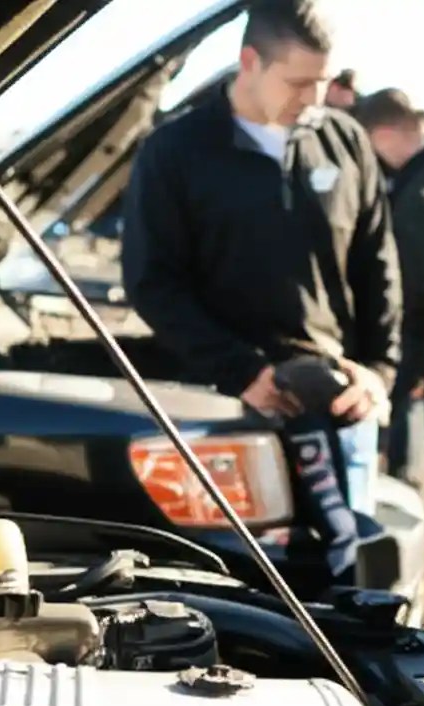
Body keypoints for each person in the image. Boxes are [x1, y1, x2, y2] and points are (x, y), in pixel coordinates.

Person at [121, 0, 401, 583]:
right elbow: (153, 283)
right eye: (299, 82)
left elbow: (378, 268)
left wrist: (378, 370)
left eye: (324, 82)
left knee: (355, 589)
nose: (314, 98)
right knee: (259, 598)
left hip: (342, 410)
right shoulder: (176, 151)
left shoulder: (345, 143)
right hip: (229, 418)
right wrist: (243, 371)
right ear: (249, 61)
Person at [352, 88, 424, 502]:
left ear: (382, 133)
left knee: (409, 454)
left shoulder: (418, 196)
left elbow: (421, 287)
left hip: (420, 344)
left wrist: (411, 360)